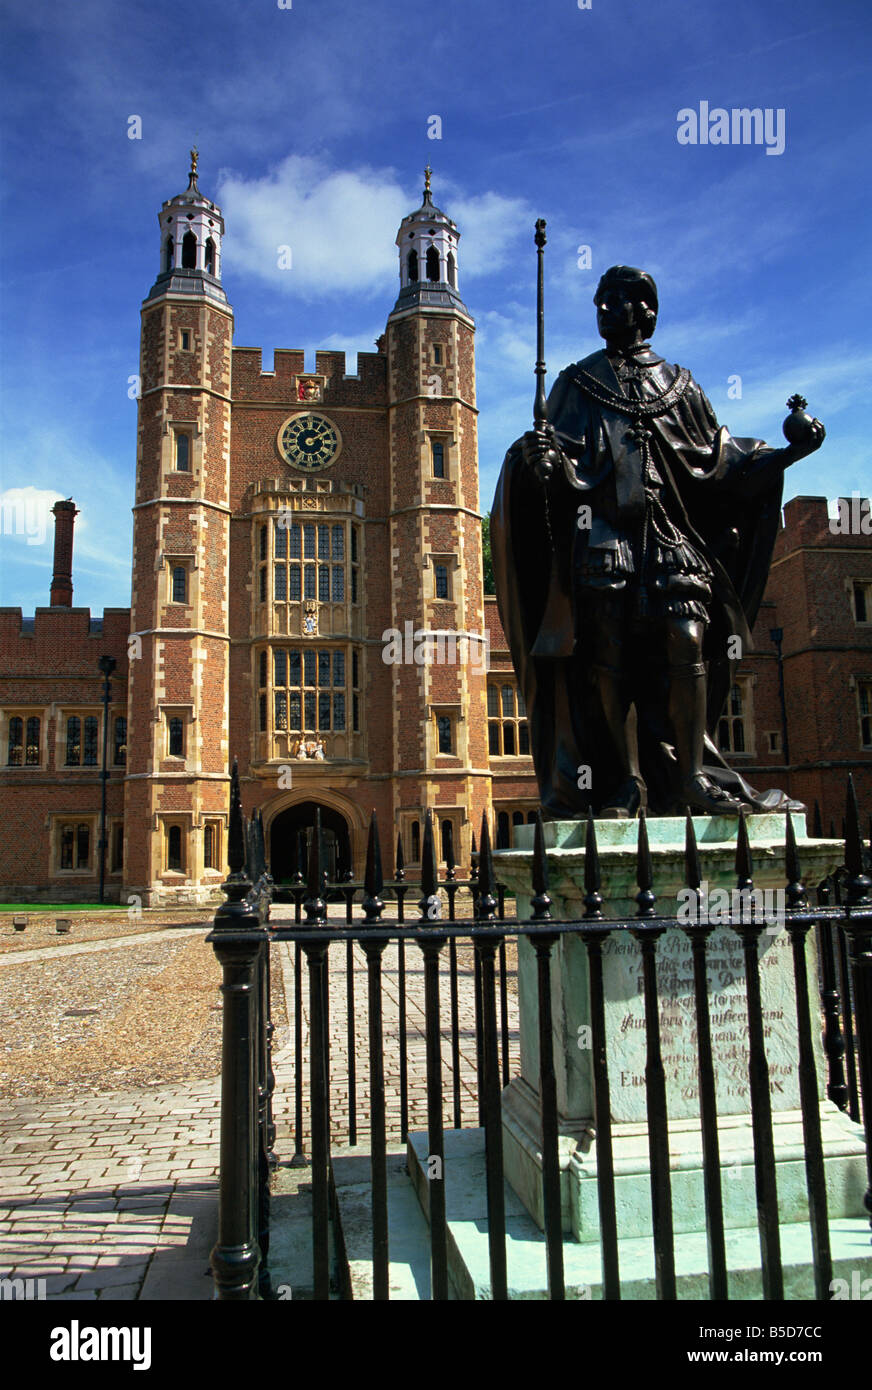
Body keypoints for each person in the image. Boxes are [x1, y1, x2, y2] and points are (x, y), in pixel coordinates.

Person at [490, 265, 824, 818]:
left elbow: (717, 463)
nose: (606, 308)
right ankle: (623, 782)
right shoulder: (577, 383)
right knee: (605, 655)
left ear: (647, 311)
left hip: (669, 536)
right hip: (601, 541)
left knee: (686, 638)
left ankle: (690, 777)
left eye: (619, 299)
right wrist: (535, 465)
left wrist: (786, 454)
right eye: (600, 301)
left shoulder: (681, 386)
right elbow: (554, 467)